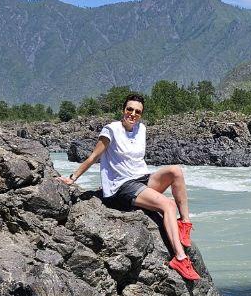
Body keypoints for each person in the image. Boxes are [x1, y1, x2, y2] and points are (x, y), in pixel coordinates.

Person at [59, 94, 199, 281]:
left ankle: (185, 224)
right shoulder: (111, 130)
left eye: (137, 111)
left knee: (176, 171)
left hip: (140, 178)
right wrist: (72, 178)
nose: (133, 114)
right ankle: (180, 258)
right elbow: (94, 157)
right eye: (129, 109)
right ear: (123, 110)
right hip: (121, 186)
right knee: (168, 205)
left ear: (141, 114)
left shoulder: (141, 129)